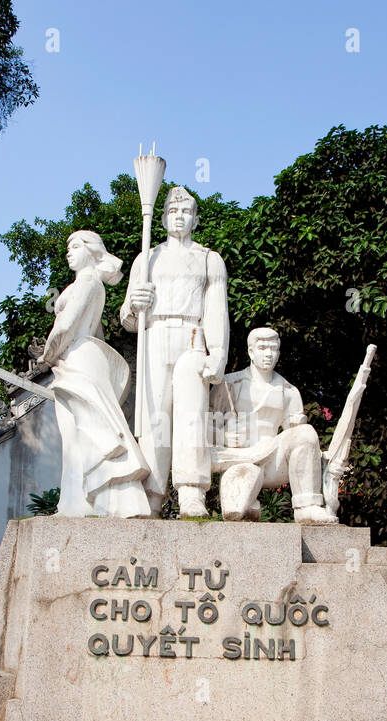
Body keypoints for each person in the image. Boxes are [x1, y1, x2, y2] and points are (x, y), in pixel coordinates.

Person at [120, 186, 229, 517]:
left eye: (186, 212)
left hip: (192, 335)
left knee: (191, 416)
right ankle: (151, 494)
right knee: (155, 419)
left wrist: (219, 353)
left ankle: (191, 492)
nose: (179, 217)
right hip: (154, 335)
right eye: (172, 211)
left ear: (196, 219)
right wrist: (134, 306)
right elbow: (127, 318)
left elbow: (216, 310)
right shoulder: (147, 257)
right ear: (163, 217)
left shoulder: (209, 259)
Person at [40, 230, 151, 518]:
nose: (69, 252)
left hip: (77, 358)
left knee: (83, 434)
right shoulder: (89, 285)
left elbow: (65, 325)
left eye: (75, 246)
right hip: (79, 358)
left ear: (91, 251)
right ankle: (77, 503)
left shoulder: (88, 282)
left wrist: (48, 354)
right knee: (78, 435)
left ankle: (84, 503)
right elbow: (97, 334)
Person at [209, 328, 337, 523]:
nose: (268, 354)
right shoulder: (229, 385)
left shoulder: (288, 391)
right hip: (239, 459)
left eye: (273, 349)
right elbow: (203, 428)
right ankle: (250, 504)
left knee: (305, 433)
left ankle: (307, 506)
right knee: (236, 513)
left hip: (273, 459)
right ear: (251, 352)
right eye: (262, 348)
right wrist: (224, 436)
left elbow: (298, 440)